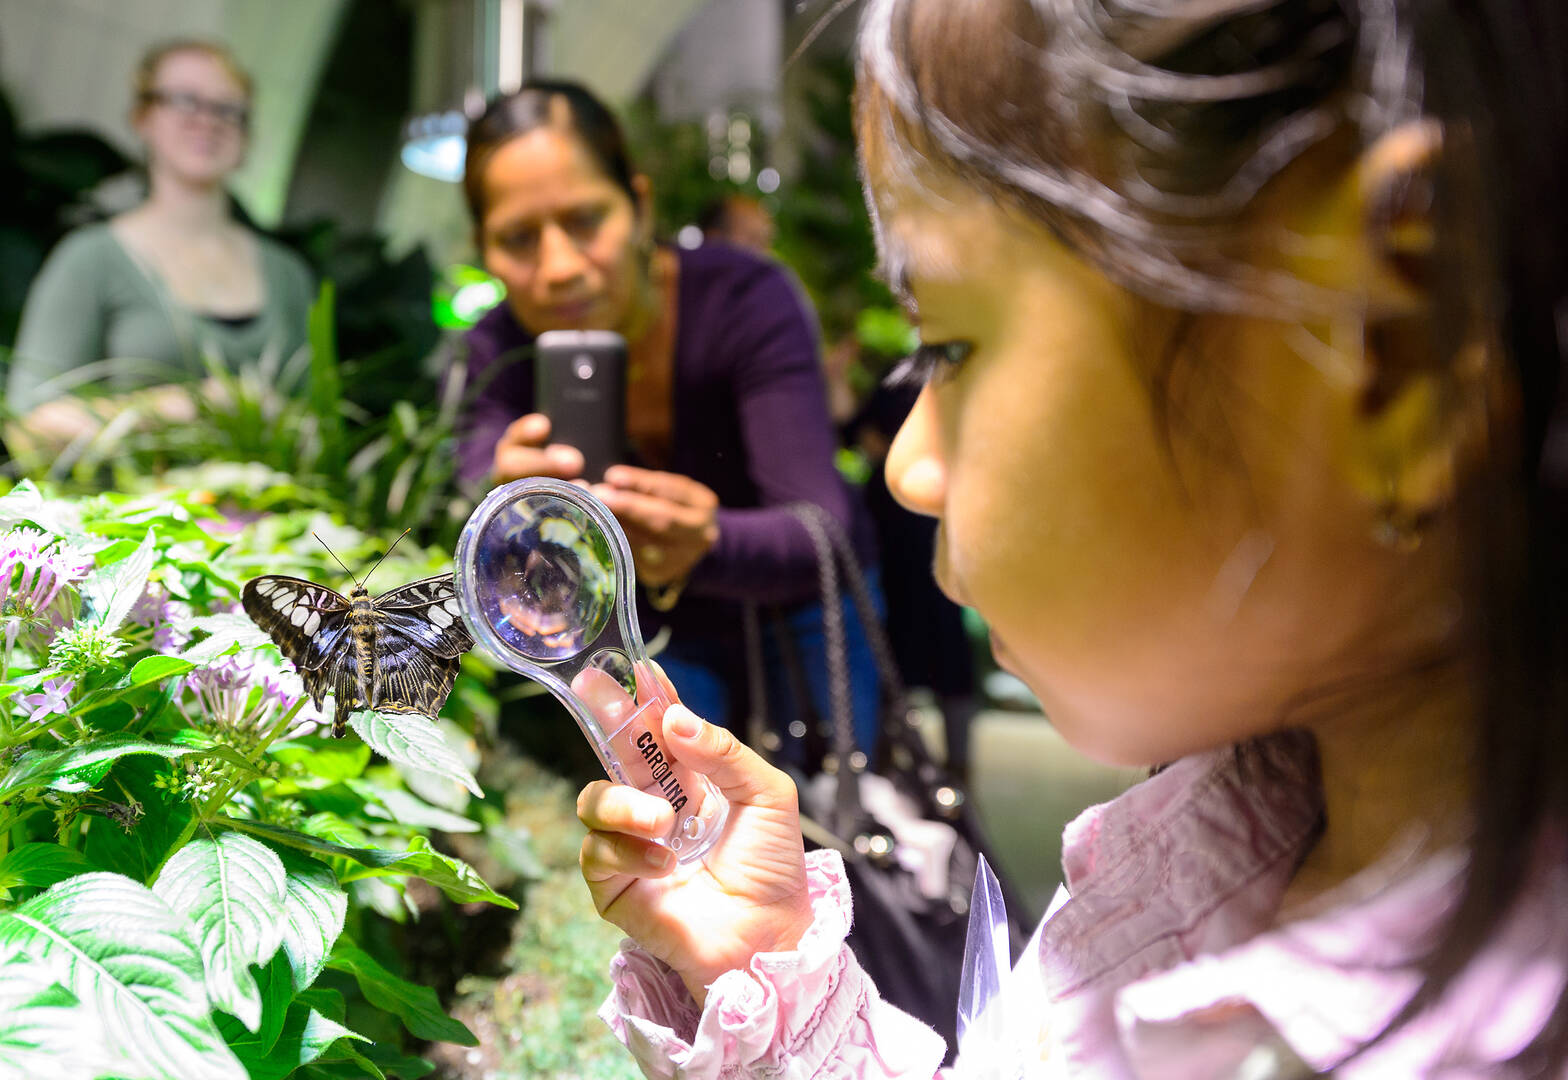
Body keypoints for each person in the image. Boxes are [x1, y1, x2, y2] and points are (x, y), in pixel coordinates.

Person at [575, 0, 1568, 1076]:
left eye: (948, 347)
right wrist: (761, 971)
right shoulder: (1216, 840)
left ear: (1391, 350)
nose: (908, 469)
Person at [454, 81, 885, 761]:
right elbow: (469, 475)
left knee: (830, 829)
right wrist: (503, 496)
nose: (560, 267)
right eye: (518, 238)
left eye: (586, 220)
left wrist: (706, 541)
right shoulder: (496, 348)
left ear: (640, 205)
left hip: (790, 619)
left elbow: (820, 531)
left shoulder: (744, 299)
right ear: (482, 248)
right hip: (643, 641)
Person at [7, 40, 315, 422]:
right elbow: (29, 422)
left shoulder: (287, 273)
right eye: (185, 100)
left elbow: (314, 418)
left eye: (228, 109)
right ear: (143, 117)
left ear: (246, 133)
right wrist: (180, 408)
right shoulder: (91, 257)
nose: (208, 119)